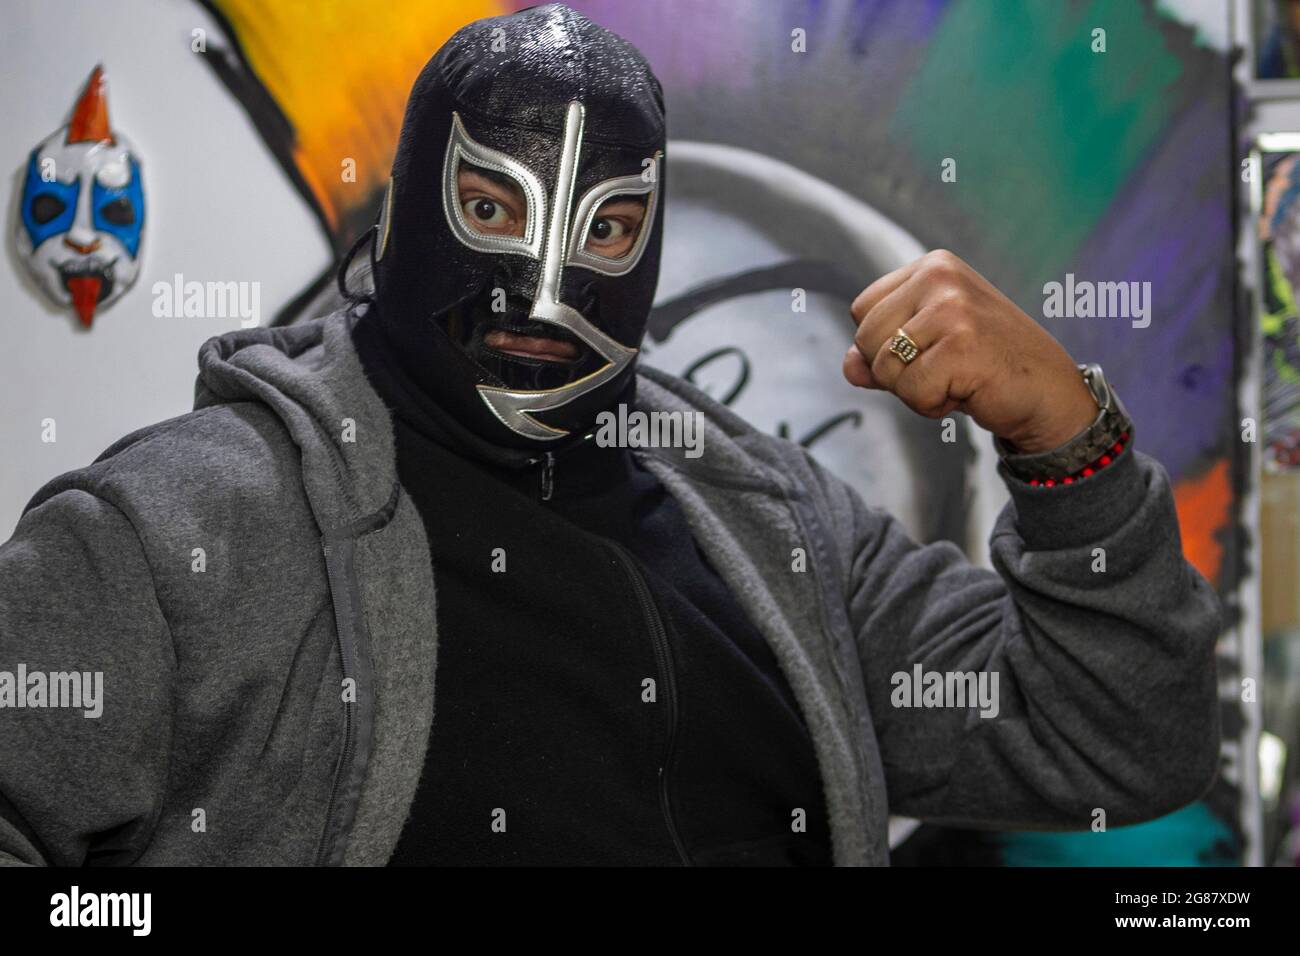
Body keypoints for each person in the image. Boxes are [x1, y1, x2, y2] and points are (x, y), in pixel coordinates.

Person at [0, 3, 1219, 867]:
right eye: (489, 206)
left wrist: (1073, 441)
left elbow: (1115, 740)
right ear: (410, 205)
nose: (540, 289)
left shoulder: (779, 525)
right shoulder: (169, 543)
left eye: (606, 226)